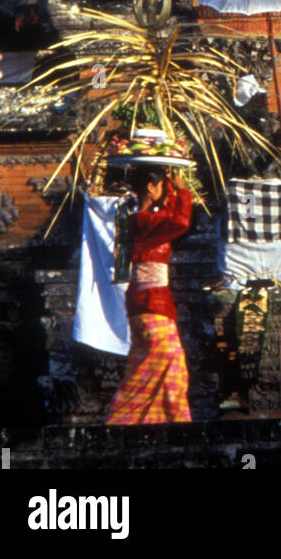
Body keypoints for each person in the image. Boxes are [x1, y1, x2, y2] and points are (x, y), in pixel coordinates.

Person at [107, 166, 193, 425]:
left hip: (149, 302)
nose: (165, 193)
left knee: (152, 369)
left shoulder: (144, 221)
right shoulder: (140, 220)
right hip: (151, 303)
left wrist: (172, 190)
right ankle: (121, 423)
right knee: (168, 364)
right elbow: (181, 220)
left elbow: (171, 215)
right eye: (161, 186)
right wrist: (181, 190)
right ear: (150, 187)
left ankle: (153, 425)